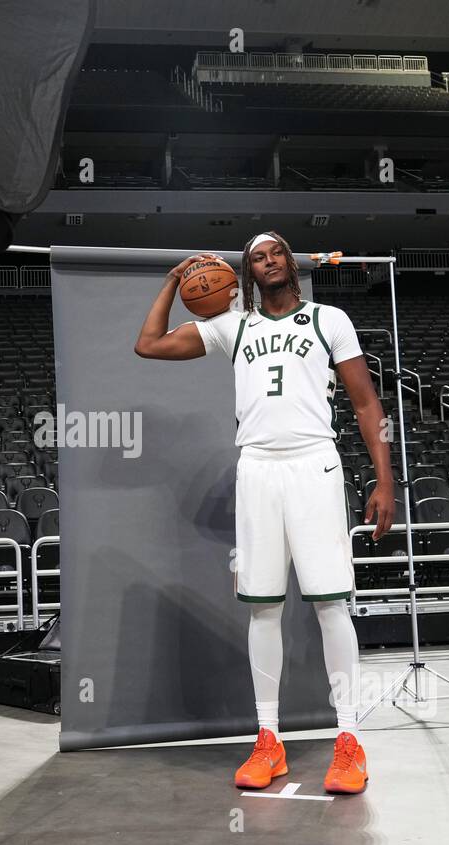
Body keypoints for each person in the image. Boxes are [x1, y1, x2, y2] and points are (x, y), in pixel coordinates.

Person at [134, 231, 395, 794]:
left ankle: (348, 740)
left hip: (314, 465)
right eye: (256, 256)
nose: (268, 261)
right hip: (256, 469)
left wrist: (384, 479)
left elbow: (366, 402)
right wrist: (171, 282)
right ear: (245, 272)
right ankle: (269, 740)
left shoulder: (331, 319)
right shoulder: (235, 325)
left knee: (330, 605)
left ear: (290, 262)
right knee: (263, 611)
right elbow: (148, 344)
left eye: (276, 251)